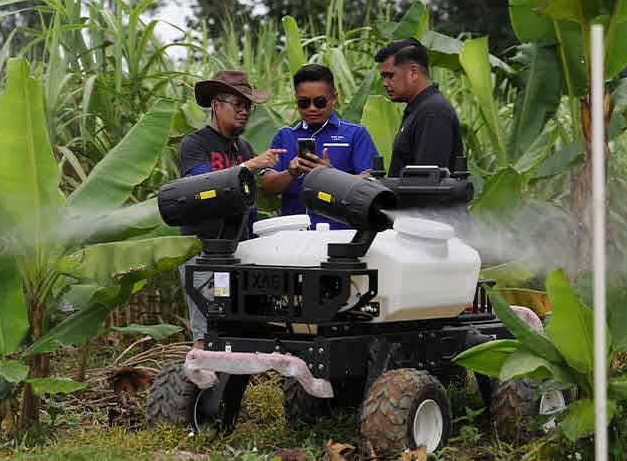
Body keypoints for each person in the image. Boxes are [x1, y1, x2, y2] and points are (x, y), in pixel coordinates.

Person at [177, 70, 285, 348]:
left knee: (236, 330)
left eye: (248, 106)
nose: (245, 112)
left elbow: (263, 181)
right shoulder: (195, 144)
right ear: (216, 104)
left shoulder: (243, 146)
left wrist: (293, 173)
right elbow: (202, 185)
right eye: (238, 105)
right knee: (207, 334)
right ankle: (198, 387)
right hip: (205, 253)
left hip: (238, 252)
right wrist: (250, 165)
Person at [261, 64, 378, 229]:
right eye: (304, 103)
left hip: (340, 234)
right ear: (296, 99)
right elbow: (267, 186)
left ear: (334, 97)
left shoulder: (355, 134)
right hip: (294, 236)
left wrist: (330, 176)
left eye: (320, 102)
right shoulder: (284, 136)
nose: (312, 108)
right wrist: (291, 173)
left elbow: (372, 181)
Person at [375, 38, 464, 176]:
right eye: (383, 76)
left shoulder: (433, 113)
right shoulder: (419, 110)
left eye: (390, 75)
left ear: (413, 72)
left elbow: (427, 185)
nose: (385, 83)